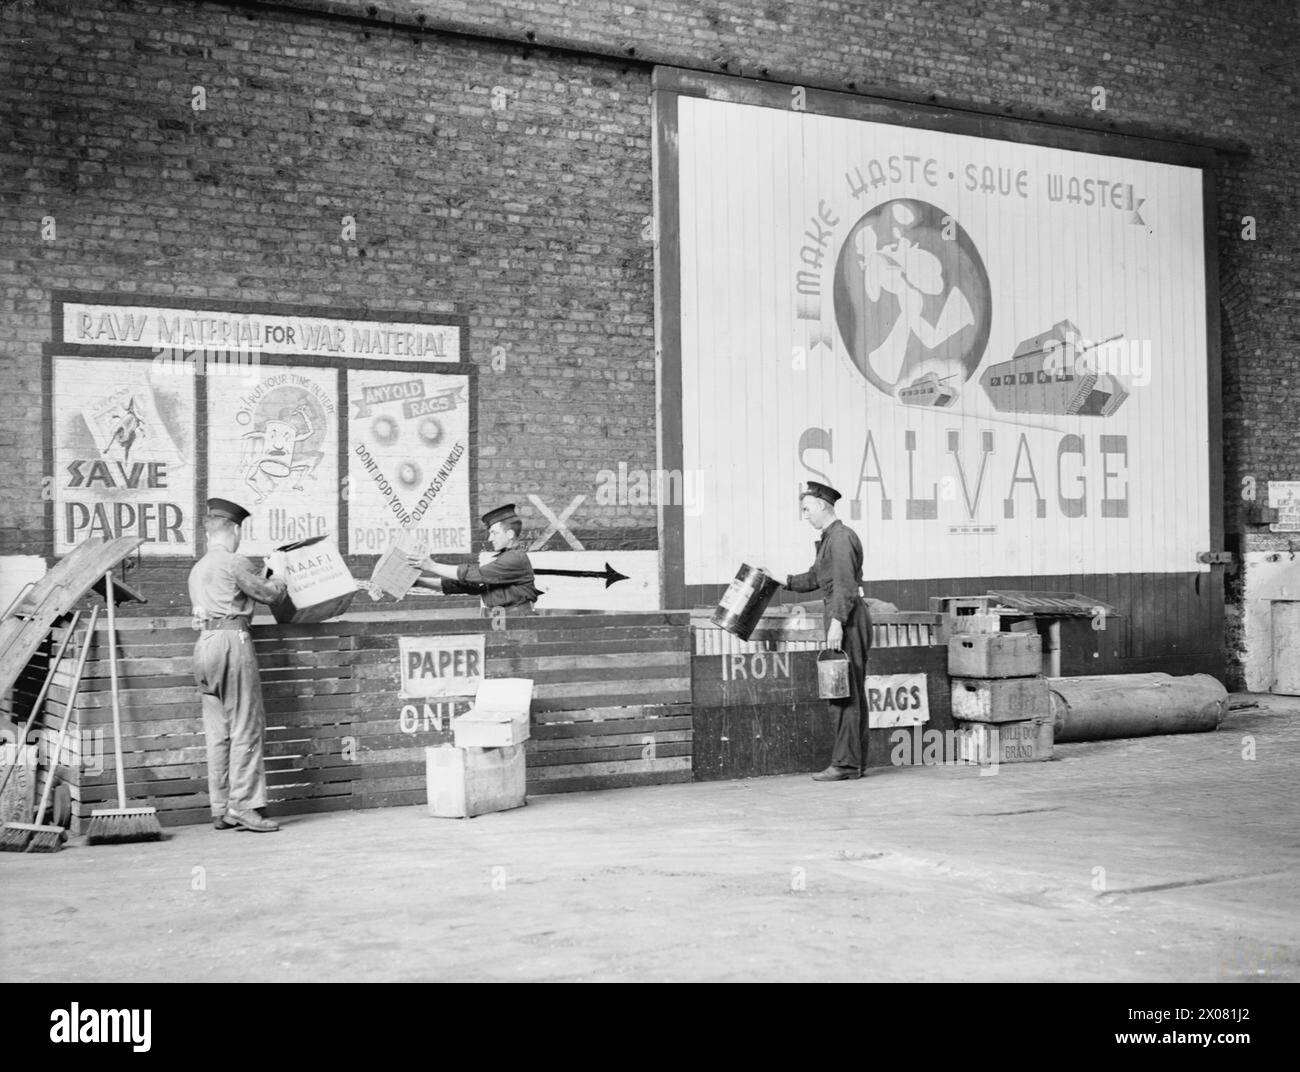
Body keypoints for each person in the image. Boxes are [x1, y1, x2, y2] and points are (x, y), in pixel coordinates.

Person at [187, 498, 287, 832]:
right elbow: (269, 594)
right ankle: (244, 806)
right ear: (236, 529)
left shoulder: (198, 568)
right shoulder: (234, 561)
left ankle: (221, 808)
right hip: (232, 643)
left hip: (204, 646)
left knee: (218, 733)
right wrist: (279, 571)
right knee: (246, 725)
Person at [783, 481, 873, 781]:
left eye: (807, 509)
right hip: (843, 614)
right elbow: (815, 577)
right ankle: (852, 763)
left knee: (843, 692)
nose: (805, 515)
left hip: (846, 617)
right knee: (846, 690)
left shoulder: (841, 538)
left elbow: (845, 584)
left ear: (822, 505)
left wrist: (836, 623)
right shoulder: (831, 539)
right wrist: (782, 580)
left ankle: (846, 764)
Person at [409, 503, 541, 616]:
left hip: (519, 623)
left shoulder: (515, 558)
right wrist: (420, 582)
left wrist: (431, 566)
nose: (490, 539)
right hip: (503, 622)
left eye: (494, 533)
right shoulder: (503, 560)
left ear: (510, 534)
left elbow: (476, 574)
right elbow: (470, 585)